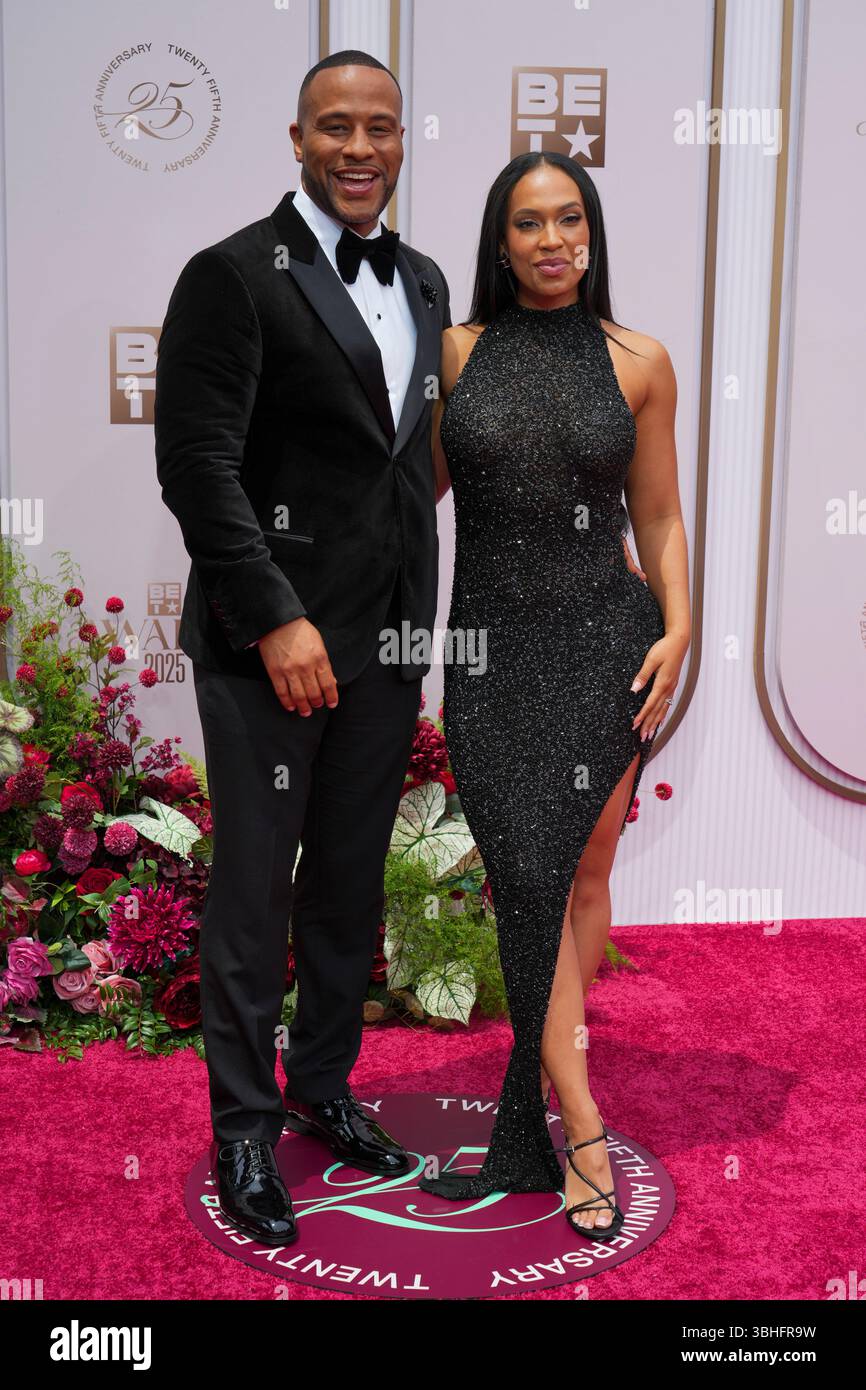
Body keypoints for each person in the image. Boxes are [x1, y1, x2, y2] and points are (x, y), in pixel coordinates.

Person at [154, 51, 453, 1246]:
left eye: (379, 128)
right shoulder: (232, 275)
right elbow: (196, 464)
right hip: (264, 644)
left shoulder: (425, 281)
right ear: (294, 138)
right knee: (253, 892)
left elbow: (410, 463)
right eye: (335, 127)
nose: (359, 149)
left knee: (346, 883)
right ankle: (243, 1124)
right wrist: (277, 615)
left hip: (381, 642)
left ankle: (324, 1086)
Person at [417, 151, 691, 1239]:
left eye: (567, 219)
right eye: (527, 223)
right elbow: (414, 489)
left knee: (580, 876)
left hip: (603, 644)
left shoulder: (639, 359)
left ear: (591, 232)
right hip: (489, 652)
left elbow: (659, 515)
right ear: (498, 241)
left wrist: (675, 626)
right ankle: (580, 1123)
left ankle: (534, 1121)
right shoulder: (455, 353)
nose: (550, 240)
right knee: (522, 878)